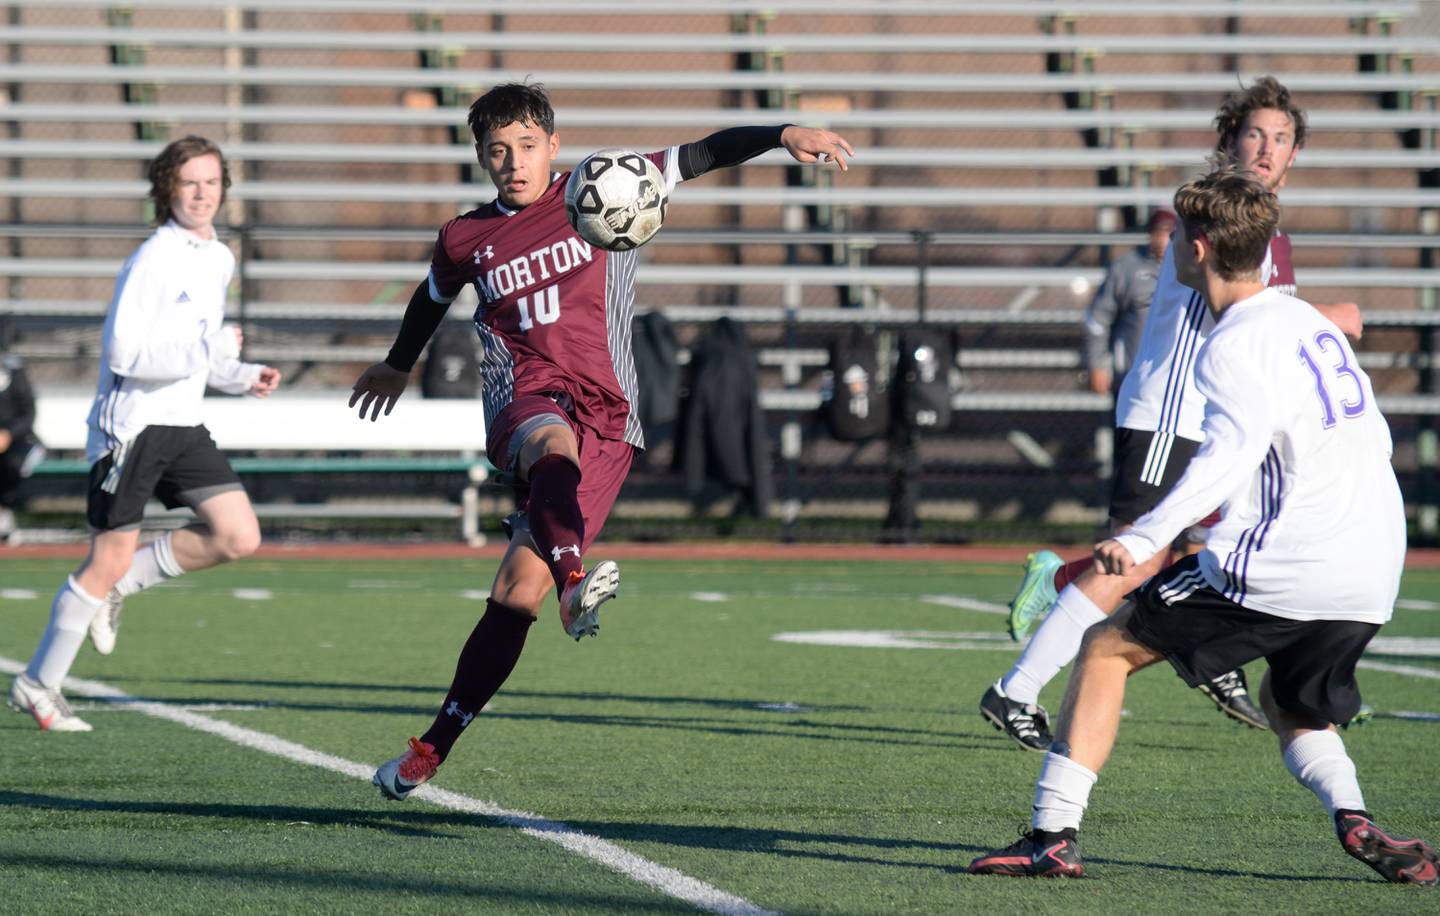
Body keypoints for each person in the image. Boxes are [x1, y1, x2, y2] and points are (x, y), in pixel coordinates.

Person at [353, 82, 853, 800]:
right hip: (523, 394)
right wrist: (399, 364)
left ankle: (432, 747)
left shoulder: (604, 184)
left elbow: (703, 153)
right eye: (497, 150)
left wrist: (782, 133)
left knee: (511, 595)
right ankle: (575, 581)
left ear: (553, 147)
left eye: (526, 146)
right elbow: (430, 300)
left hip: (610, 415)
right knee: (549, 444)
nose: (513, 162)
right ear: (480, 157)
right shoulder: (465, 236)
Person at [969, 166, 1437, 884]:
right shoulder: (1309, 322)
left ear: (1202, 246)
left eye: (1178, 237)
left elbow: (1227, 459)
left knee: (1105, 648)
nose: (1170, 250)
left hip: (1287, 561)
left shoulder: (1232, 344)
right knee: (1292, 703)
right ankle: (1355, 817)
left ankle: (1052, 837)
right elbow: (1368, 438)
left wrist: (1140, 535)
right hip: (1372, 570)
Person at [981, 76, 1367, 751]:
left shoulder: (1264, 224)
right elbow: (1260, 315)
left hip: (1213, 420)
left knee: (1203, 552)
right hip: (1172, 412)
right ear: (1228, 140)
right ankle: (1019, 682)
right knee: (1133, 557)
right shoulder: (1218, 209)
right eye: (1255, 133)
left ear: (1297, 153)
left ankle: (1213, 661)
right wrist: (1332, 320)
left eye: (1281, 138)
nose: (1268, 147)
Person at [7, 136, 282, 732]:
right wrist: (206, 351)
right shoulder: (153, 258)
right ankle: (37, 684)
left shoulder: (217, 256)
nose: (203, 194)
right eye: (190, 183)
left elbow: (199, 354)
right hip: (131, 428)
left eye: (212, 182)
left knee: (238, 535)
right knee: (106, 556)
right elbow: (125, 355)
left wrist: (238, 375)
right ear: (167, 190)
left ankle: (117, 589)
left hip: (182, 426)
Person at [1082, 209, 1173, 397]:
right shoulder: (1126, 268)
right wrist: (1097, 365)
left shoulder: (1188, 270)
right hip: (1131, 377)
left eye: (1168, 234)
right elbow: (1098, 318)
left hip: (1173, 380)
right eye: (1157, 233)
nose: (1162, 240)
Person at [0, 325, 45, 541]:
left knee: (14, 463)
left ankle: (5, 513)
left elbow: (29, 413)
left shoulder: (14, 371)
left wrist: (8, 434)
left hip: (17, 440)